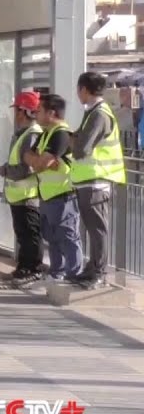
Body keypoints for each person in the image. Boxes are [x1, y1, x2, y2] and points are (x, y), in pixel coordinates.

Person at [68, 71, 127, 289]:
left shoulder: (99, 115)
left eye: (78, 89)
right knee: (93, 229)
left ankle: (98, 272)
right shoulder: (92, 112)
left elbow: (81, 149)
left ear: (84, 89)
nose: (77, 94)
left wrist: (72, 141)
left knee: (97, 229)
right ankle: (91, 269)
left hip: (96, 181)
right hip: (88, 180)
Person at [23, 94, 82, 283]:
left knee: (67, 237)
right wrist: (38, 161)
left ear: (51, 112)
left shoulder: (61, 135)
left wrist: (39, 162)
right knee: (51, 237)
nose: (35, 113)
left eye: (39, 110)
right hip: (48, 195)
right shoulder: (45, 134)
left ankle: (73, 276)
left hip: (63, 195)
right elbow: (27, 156)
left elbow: (41, 163)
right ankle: (57, 273)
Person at [0, 91, 45, 285]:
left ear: (24, 111)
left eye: (17, 110)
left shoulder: (31, 135)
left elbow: (27, 167)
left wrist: (6, 170)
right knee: (23, 234)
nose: (15, 114)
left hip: (28, 194)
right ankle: (23, 267)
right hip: (19, 194)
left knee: (30, 234)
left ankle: (33, 269)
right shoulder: (23, 134)